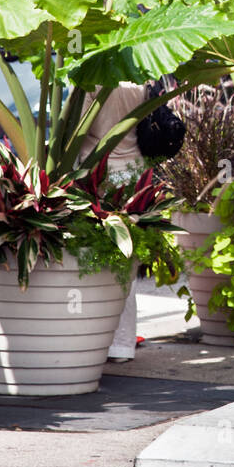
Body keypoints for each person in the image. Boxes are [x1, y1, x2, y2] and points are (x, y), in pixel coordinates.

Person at [80, 83, 149, 361]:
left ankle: (98, 339)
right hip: (134, 173)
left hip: (98, 176)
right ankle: (122, 344)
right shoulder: (139, 80)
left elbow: (79, 129)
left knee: (93, 264)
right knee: (126, 264)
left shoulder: (89, 81)